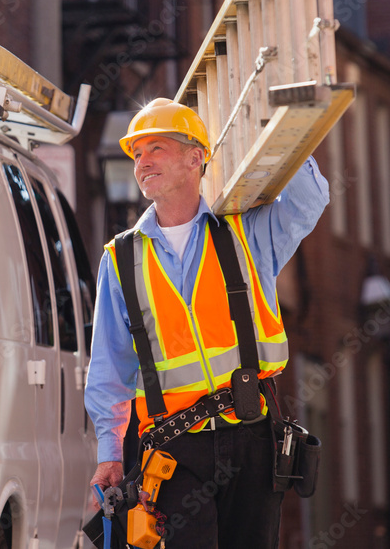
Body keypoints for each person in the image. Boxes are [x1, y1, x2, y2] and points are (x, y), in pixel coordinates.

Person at [85, 97, 329, 547]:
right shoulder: (120, 259)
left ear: (195, 158)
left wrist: (276, 127)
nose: (143, 162)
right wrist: (109, 453)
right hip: (174, 452)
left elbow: (309, 199)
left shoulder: (245, 235)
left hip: (254, 436)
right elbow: (109, 369)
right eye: (137, 154)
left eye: (156, 148)